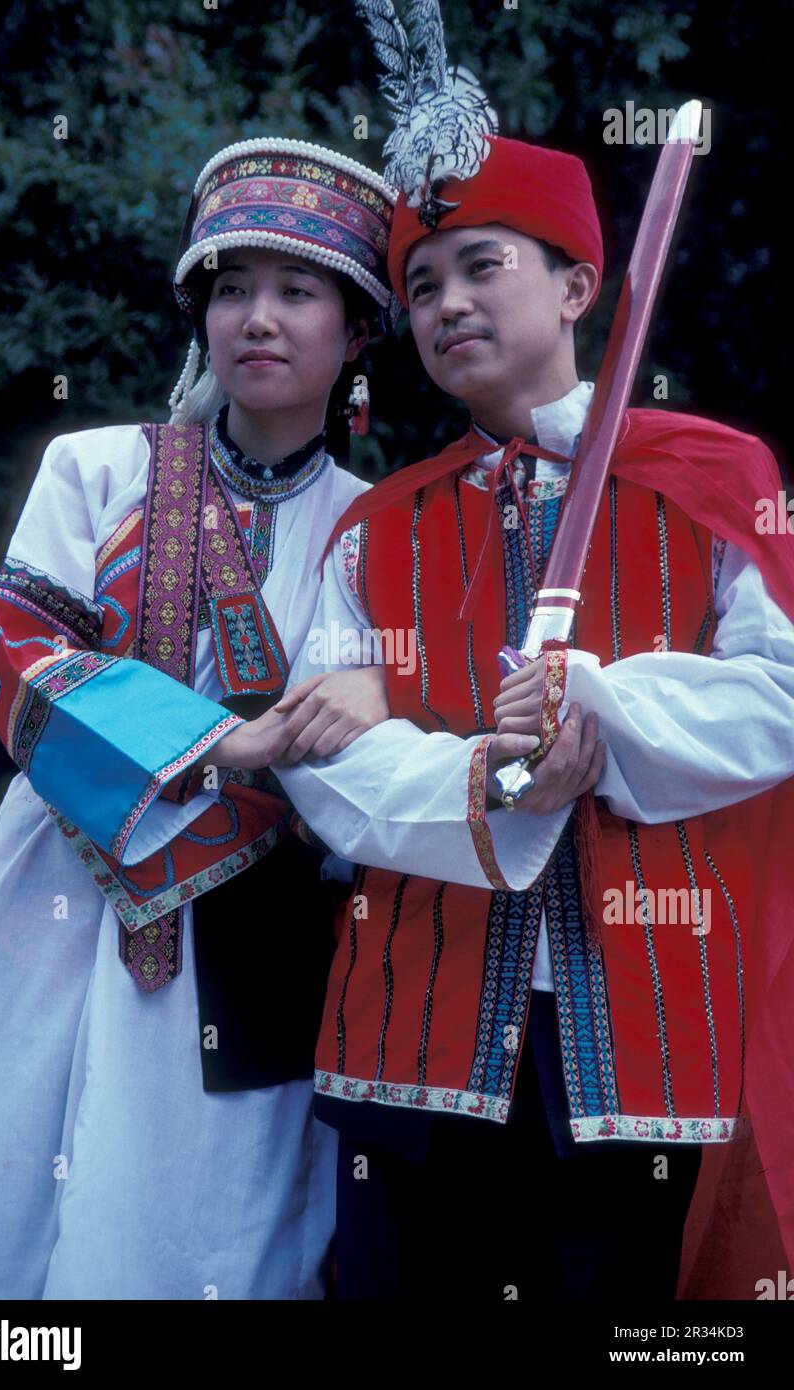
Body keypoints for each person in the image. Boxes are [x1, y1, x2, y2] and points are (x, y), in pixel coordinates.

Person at [273, 6, 794, 1300]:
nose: (447, 301)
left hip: (652, 1044)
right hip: (416, 1033)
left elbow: (785, 699)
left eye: (482, 265)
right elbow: (322, 755)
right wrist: (492, 789)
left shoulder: (716, 476)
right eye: (422, 281)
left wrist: (602, 714)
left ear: (577, 284)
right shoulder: (372, 526)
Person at [0, 137, 400, 1300]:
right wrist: (221, 743)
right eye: (232, 289)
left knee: (202, 1222)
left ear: (354, 334)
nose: (259, 317)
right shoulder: (94, 469)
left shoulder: (381, 528)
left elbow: (373, 734)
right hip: (57, 883)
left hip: (258, 927)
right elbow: (21, 657)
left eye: (298, 291)